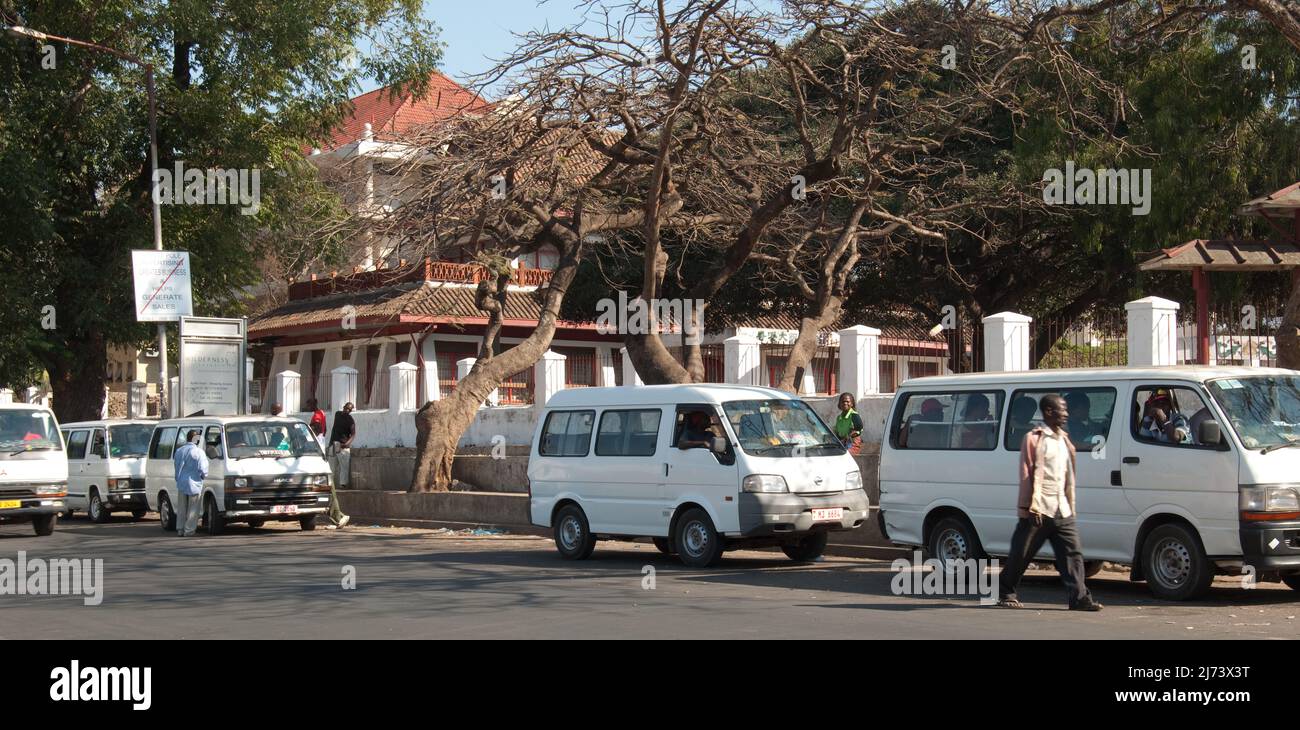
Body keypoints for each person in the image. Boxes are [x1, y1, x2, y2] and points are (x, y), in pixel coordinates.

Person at [998, 394, 1103, 611]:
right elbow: (1026, 474)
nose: (1066, 414)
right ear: (1048, 412)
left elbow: (1066, 476)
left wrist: (1070, 504)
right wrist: (1028, 507)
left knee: (1073, 555)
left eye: (1066, 410)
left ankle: (1079, 598)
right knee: (1021, 554)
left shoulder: (1064, 439)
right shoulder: (1034, 438)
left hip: (1062, 508)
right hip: (1038, 508)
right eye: (1061, 410)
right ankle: (1006, 592)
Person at [172, 429, 209, 537]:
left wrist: (178, 479)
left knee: (182, 507)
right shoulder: (199, 452)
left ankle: (180, 529)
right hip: (195, 482)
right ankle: (189, 530)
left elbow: (177, 467)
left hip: (182, 482)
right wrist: (203, 476)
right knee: (193, 508)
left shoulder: (179, 451)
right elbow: (203, 469)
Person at [326, 402, 354, 528]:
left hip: (343, 445)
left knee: (344, 466)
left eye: (349, 409)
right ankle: (330, 484)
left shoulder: (350, 420)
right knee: (331, 466)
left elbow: (353, 434)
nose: (347, 410)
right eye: (346, 408)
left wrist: (347, 444)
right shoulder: (337, 414)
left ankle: (343, 484)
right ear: (343, 408)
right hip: (334, 444)